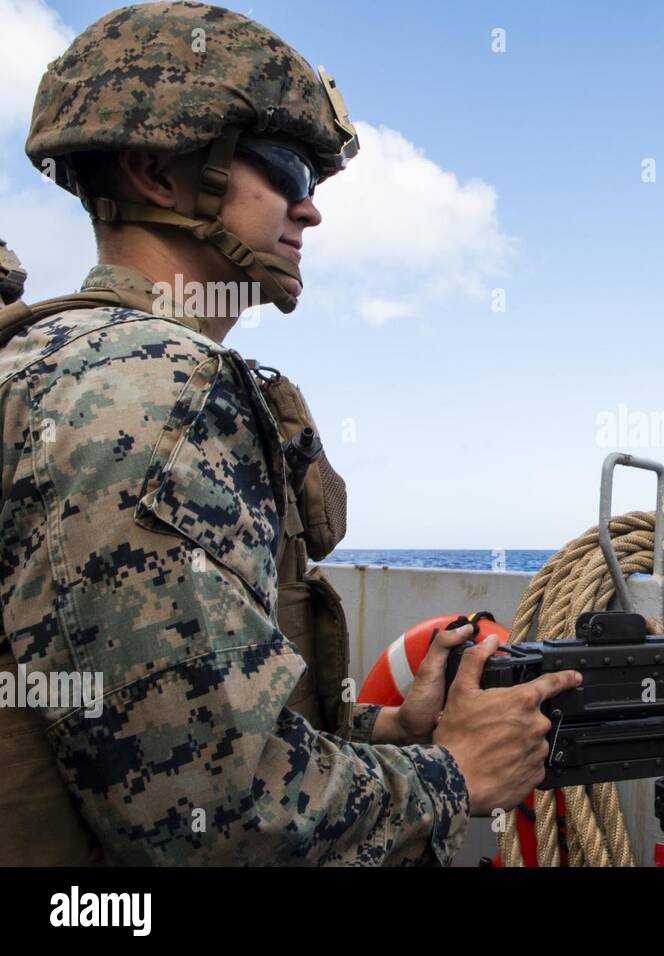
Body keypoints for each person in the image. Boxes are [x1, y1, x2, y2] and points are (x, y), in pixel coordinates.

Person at [0, 0, 578, 865]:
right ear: (158, 173)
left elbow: (146, 716)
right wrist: (454, 773)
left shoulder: (43, 358)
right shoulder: (157, 391)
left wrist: (388, 727)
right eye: (287, 171)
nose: (310, 212)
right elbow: (207, 813)